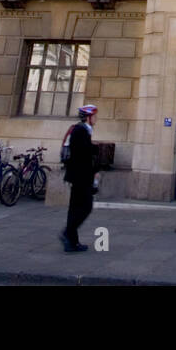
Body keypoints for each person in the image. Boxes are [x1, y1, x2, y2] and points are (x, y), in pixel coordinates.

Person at [60, 104, 98, 253]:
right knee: (85, 207)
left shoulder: (81, 130)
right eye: (94, 116)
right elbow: (83, 155)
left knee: (75, 208)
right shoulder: (81, 131)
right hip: (80, 177)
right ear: (88, 117)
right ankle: (67, 233)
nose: (96, 118)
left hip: (77, 176)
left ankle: (72, 242)